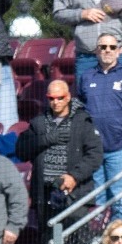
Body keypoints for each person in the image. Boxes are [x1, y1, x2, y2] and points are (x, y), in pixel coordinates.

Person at [77, 35, 122, 223]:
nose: (107, 50)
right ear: (96, 51)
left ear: (118, 50)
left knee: (119, 198)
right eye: (103, 47)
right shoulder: (86, 77)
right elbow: (80, 112)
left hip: (120, 147)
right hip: (94, 150)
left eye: (111, 47)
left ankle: (120, 242)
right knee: (97, 200)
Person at [14, 79, 102, 227]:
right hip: (45, 195)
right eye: (51, 98)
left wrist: (74, 176)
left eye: (60, 98)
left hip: (75, 195)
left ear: (68, 97)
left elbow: (95, 155)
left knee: (76, 243)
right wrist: (46, 139)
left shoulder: (82, 121)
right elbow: (21, 151)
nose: (56, 102)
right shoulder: (38, 123)